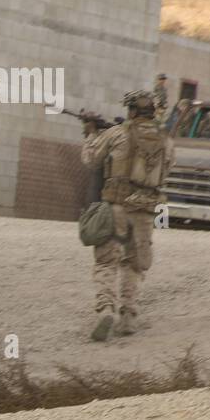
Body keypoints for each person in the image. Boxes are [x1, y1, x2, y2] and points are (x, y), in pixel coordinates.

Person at [80, 90, 174, 340]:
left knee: (105, 261)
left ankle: (105, 309)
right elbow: (166, 169)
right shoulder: (166, 139)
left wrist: (91, 134)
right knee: (133, 264)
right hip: (145, 210)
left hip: (116, 205)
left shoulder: (117, 133)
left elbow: (92, 161)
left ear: (132, 110)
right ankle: (128, 315)